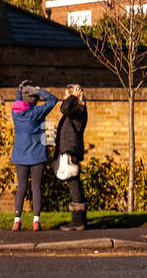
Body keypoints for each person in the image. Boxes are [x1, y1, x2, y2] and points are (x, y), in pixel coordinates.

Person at [10, 80, 58, 232]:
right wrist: (39, 90)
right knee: (36, 187)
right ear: (35, 99)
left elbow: (19, 101)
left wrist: (21, 90)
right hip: (37, 154)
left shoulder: (15, 112)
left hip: (20, 154)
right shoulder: (37, 112)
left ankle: (17, 221)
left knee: (21, 187)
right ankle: (36, 221)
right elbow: (53, 100)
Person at [55, 83, 89, 230]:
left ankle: (78, 221)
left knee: (74, 184)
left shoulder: (78, 110)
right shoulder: (76, 111)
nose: (63, 98)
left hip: (71, 151)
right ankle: (79, 220)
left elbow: (64, 108)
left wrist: (73, 96)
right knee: (74, 184)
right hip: (68, 150)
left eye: (65, 95)